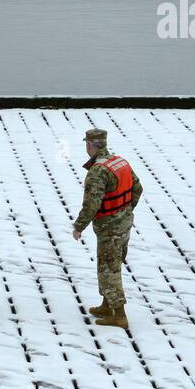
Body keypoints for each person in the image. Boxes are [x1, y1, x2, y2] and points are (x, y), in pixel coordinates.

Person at [72, 128, 144, 329]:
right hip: (124, 223)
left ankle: (119, 315)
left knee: (109, 270)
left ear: (89, 145)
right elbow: (137, 188)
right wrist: (125, 211)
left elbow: (91, 204)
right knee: (111, 263)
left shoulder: (98, 171)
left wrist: (79, 226)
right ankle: (107, 305)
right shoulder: (120, 162)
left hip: (109, 228)